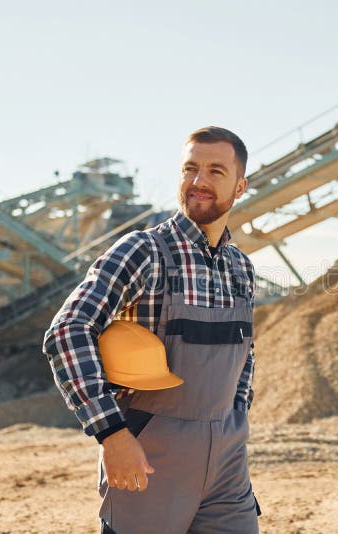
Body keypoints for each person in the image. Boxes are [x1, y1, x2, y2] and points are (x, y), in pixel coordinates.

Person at [43, 126, 260, 534]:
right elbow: (68, 330)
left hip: (228, 461)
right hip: (150, 455)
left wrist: (237, 416)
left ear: (240, 185)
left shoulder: (240, 267)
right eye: (190, 168)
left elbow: (246, 352)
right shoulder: (144, 252)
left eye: (216, 171)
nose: (199, 181)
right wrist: (111, 433)